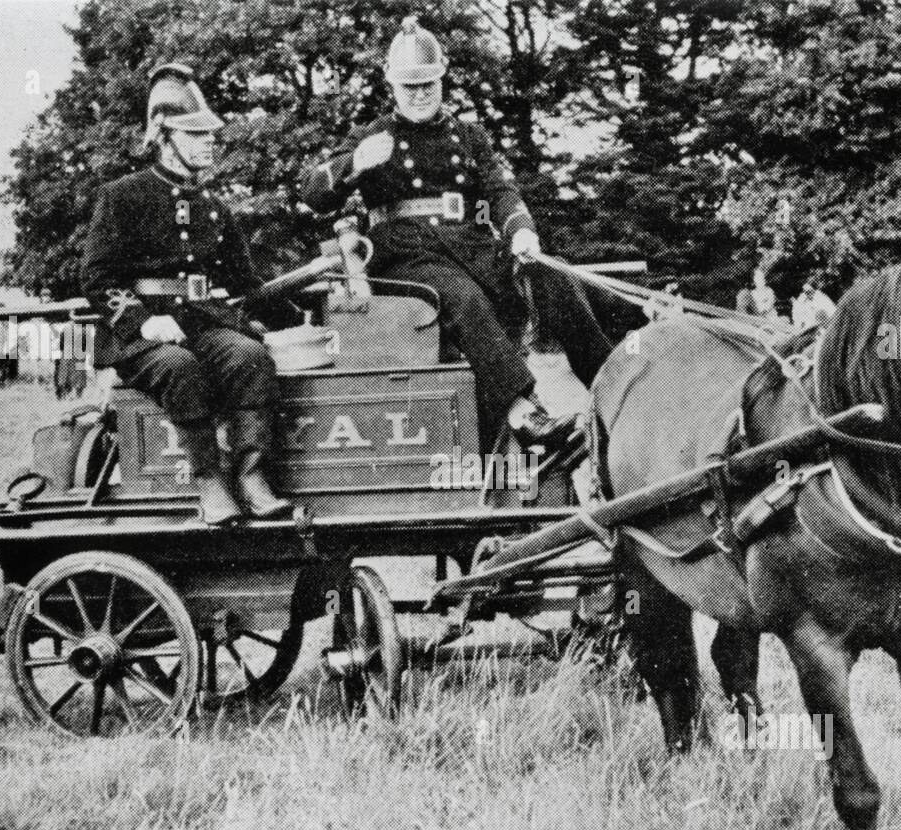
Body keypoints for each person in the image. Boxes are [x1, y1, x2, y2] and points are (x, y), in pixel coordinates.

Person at [301, 16, 644, 449]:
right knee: (464, 298)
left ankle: (620, 390)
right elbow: (313, 194)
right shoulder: (371, 136)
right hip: (407, 256)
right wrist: (355, 163)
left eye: (429, 83)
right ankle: (523, 412)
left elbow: (501, 190)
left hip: (473, 245)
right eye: (410, 86)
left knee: (553, 277)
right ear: (393, 87)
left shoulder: (469, 136)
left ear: (443, 79)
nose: (420, 93)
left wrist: (521, 233)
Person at [81, 62, 296, 524]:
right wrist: (143, 320)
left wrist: (302, 312)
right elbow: (97, 277)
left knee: (249, 357)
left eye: (209, 133)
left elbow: (247, 285)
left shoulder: (215, 209)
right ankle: (209, 481)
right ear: (162, 134)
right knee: (180, 367)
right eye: (194, 133)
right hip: (142, 338)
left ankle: (250, 475)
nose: (208, 141)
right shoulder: (122, 197)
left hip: (203, 323)